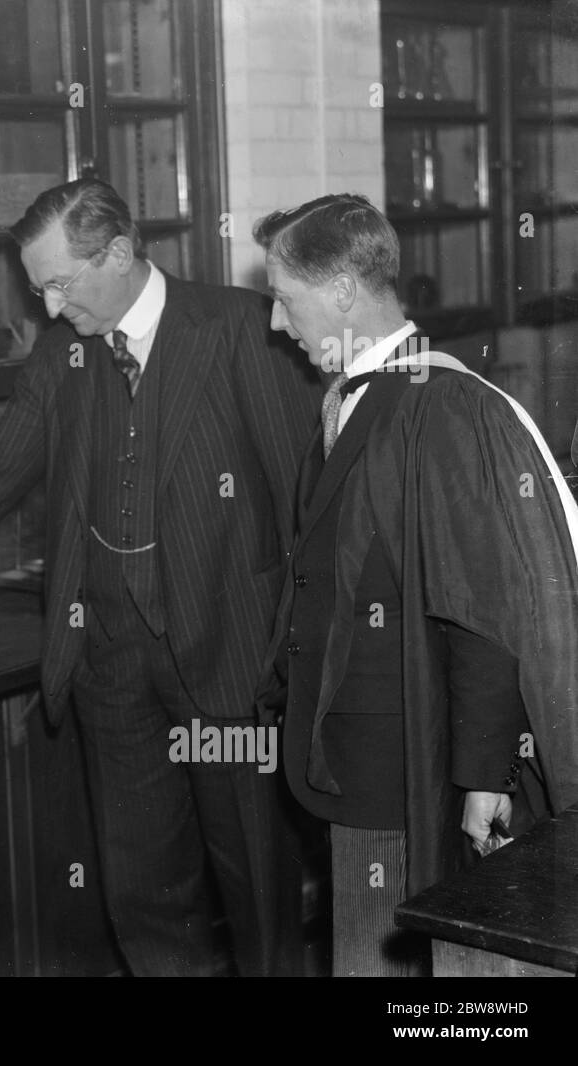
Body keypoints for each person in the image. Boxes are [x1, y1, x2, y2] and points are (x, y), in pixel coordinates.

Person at [0, 178, 322, 976]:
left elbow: (301, 505)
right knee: (143, 895)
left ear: (117, 252)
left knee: (258, 893)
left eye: (58, 284)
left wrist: (297, 660)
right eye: (37, 288)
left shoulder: (242, 330)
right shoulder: (62, 355)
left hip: (234, 663)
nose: (45, 307)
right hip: (110, 666)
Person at [253, 193, 578, 976]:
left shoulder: (442, 408)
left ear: (340, 292)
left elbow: (484, 611)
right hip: (353, 760)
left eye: (285, 299)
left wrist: (479, 779)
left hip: (406, 771)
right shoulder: (355, 400)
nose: (275, 323)